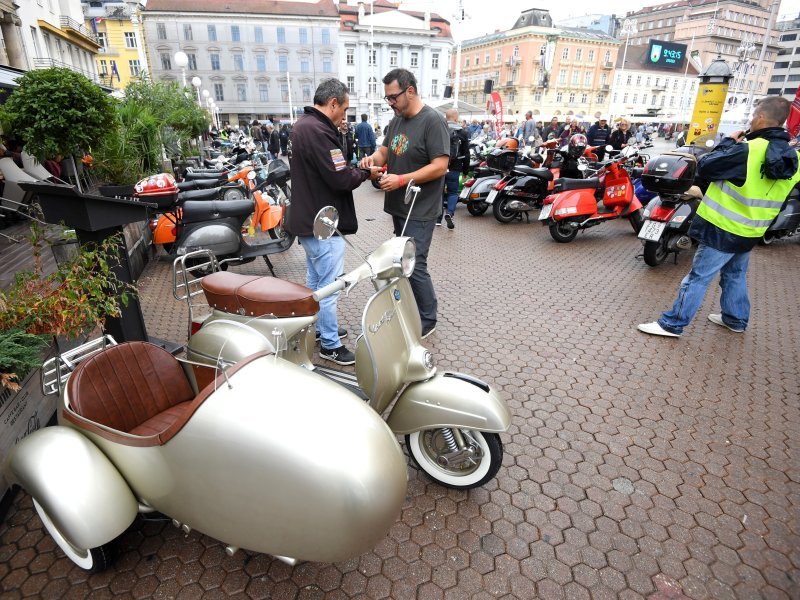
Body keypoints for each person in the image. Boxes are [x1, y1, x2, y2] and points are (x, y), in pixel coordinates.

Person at [638, 96, 800, 338]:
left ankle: (672, 324)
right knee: (735, 274)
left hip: (722, 229)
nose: (751, 120)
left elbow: (706, 167)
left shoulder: (747, 150)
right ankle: (735, 319)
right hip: (752, 230)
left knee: (697, 278)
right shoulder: (794, 158)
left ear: (761, 118)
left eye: (753, 116)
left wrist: (728, 142)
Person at [287, 78, 378, 364]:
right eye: (345, 109)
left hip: (309, 220)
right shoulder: (319, 130)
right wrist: (366, 173)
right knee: (329, 287)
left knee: (315, 282)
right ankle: (330, 344)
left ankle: (318, 328)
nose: (345, 115)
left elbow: (328, 170)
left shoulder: (302, 126)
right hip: (323, 222)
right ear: (333, 103)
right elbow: (340, 178)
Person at [359, 68, 449, 339]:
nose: (390, 103)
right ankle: (412, 309)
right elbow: (385, 151)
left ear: (410, 91)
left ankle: (427, 319)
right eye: (387, 98)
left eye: (393, 97)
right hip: (400, 207)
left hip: (421, 208)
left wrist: (401, 180)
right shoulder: (397, 120)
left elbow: (440, 166)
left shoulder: (433, 121)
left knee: (415, 264)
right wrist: (371, 161)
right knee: (402, 262)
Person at [436, 108, 470, 230]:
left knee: (439, 193)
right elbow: (466, 153)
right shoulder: (463, 132)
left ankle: (438, 219)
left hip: (440, 167)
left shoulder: (439, 130)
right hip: (455, 167)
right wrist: (465, 170)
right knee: (453, 192)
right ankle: (449, 213)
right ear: (456, 118)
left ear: (446, 117)